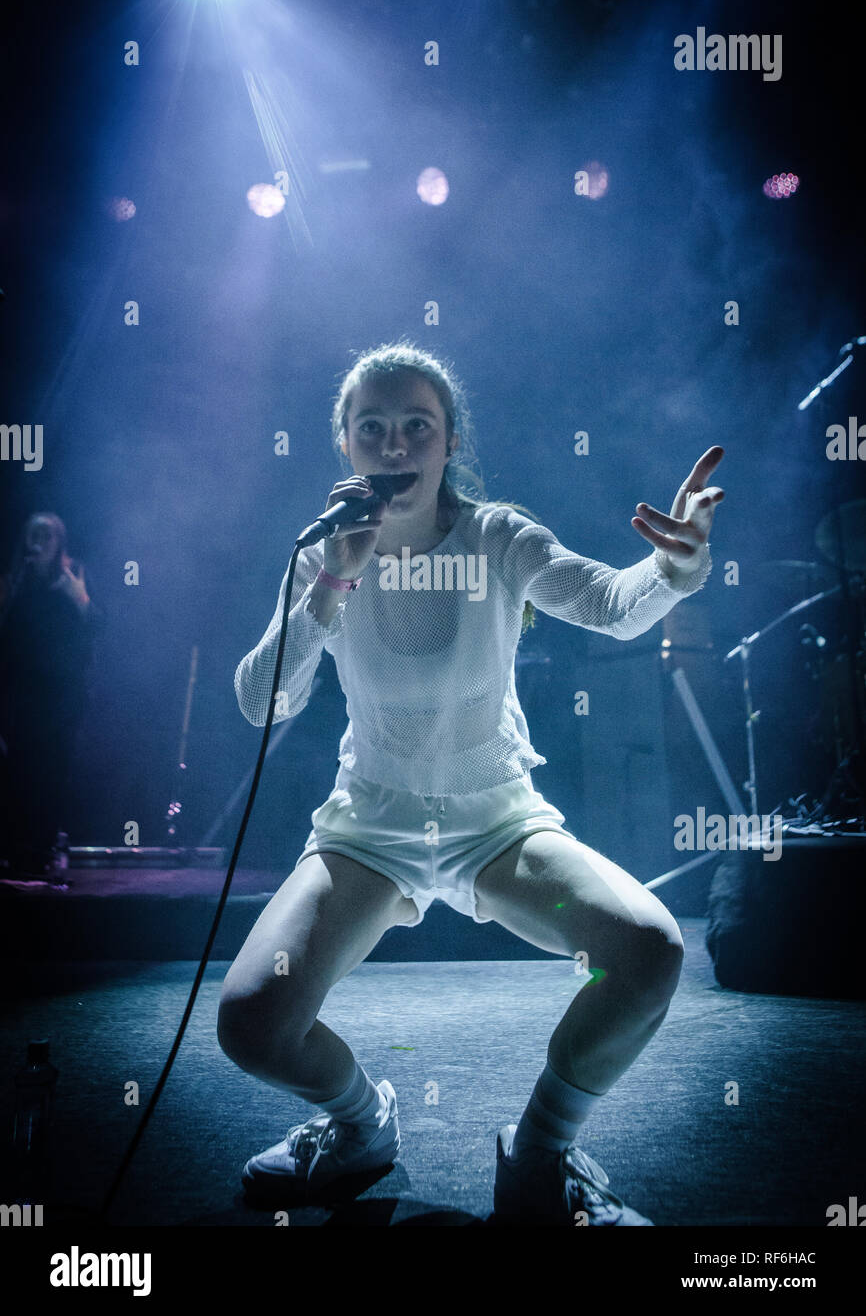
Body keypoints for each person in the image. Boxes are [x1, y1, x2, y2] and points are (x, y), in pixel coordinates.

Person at [220, 342, 724, 1225]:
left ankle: (540, 1155)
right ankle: (362, 1126)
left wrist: (675, 568)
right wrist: (335, 577)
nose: (395, 445)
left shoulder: (496, 535)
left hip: (498, 826)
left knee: (650, 950)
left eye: (418, 426)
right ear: (347, 446)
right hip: (368, 831)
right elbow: (261, 701)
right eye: (372, 429)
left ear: (449, 443)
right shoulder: (321, 556)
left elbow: (610, 603)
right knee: (252, 1022)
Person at [0, 512, 104, 879]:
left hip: (62, 695)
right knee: (19, 773)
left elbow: (99, 625)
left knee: (52, 773)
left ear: (59, 540)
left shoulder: (73, 575)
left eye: (46, 535)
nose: (39, 542)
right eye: (33, 535)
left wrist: (79, 598)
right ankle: (18, 853)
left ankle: (44, 850)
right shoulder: (16, 581)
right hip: (23, 695)